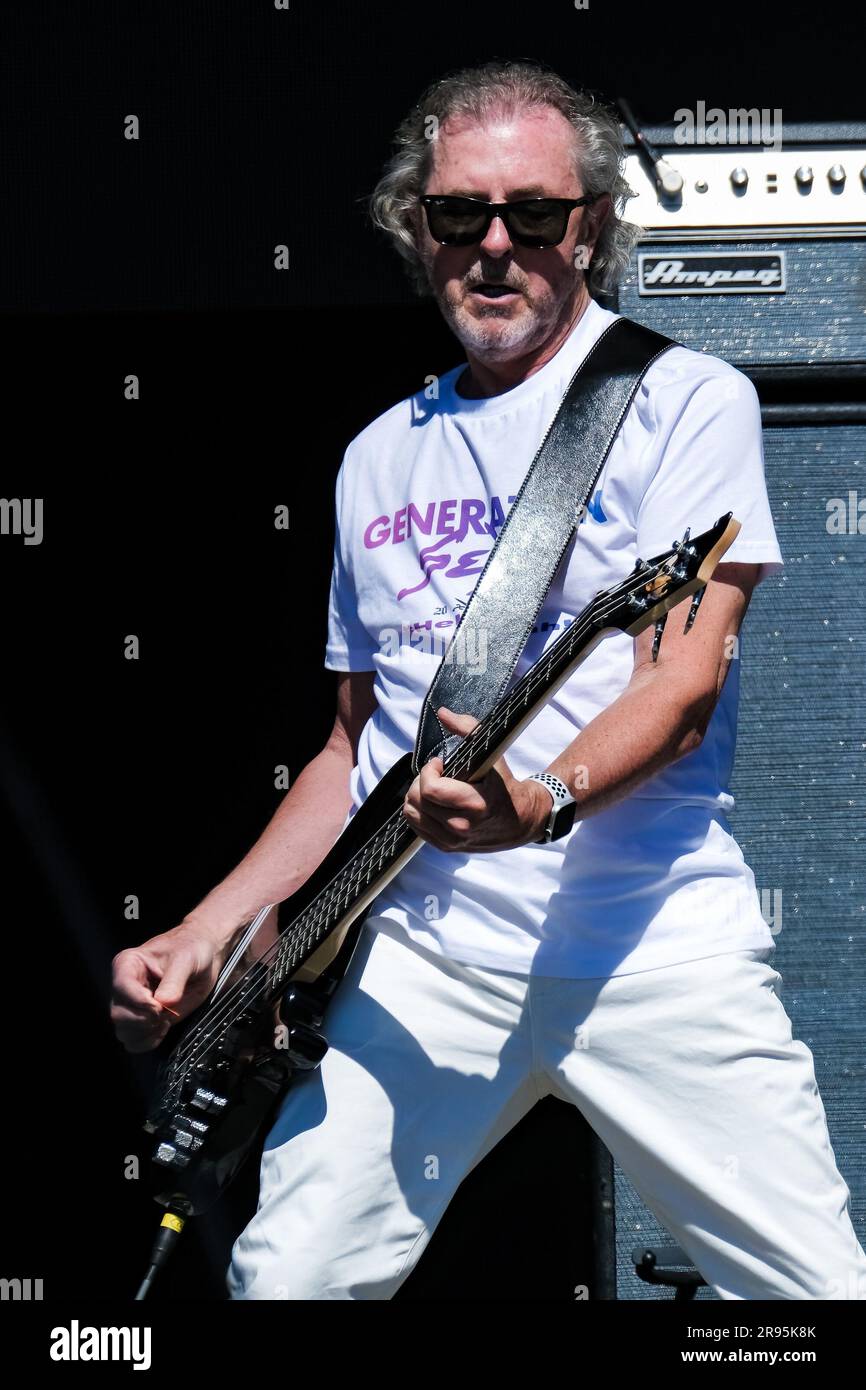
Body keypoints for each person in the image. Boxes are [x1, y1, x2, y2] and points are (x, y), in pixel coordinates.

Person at [111, 60, 866, 1301]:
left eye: (535, 212)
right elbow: (355, 752)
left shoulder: (684, 401)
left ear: (594, 227)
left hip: (648, 943)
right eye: (460, 213)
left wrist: (542, 800)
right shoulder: (372, 458)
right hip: (428, 959)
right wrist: (206, 931)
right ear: (418, 229)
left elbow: (676, 688)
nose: (496, 244)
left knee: (809, 1301)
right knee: (288, 1281)